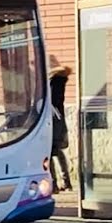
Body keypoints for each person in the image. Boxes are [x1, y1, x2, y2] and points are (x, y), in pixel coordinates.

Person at [48, 55, 73, 192]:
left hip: (53, 119)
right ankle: (65, 182)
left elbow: (67, 69)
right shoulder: (56, 79)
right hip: (55, 118)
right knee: (56, 150)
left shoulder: (55, 79)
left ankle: (54, 184)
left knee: (50, 151)